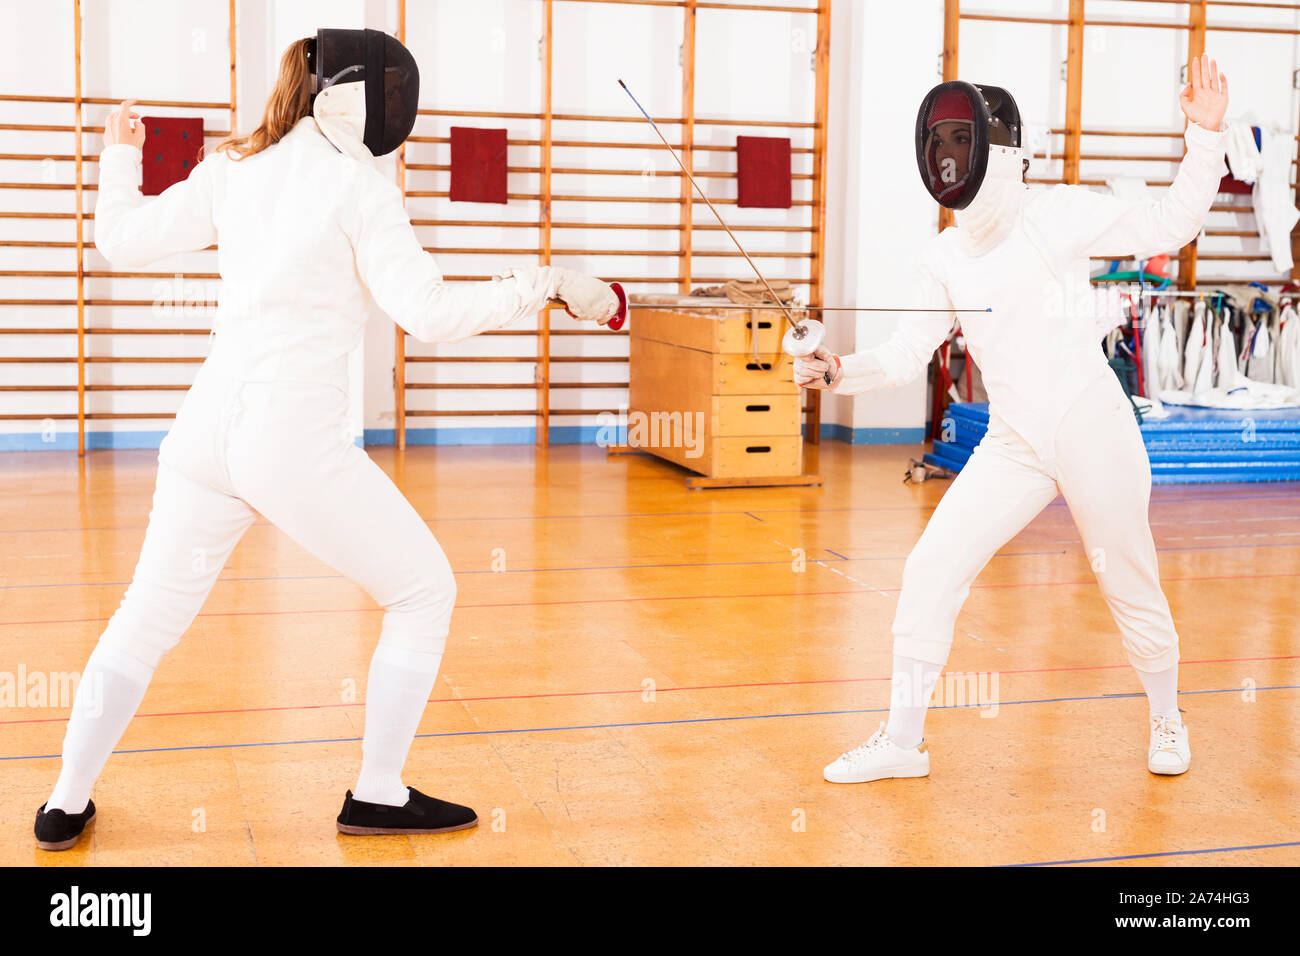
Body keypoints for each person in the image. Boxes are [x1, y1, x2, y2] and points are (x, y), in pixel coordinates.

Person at [35, 29, 618, 850]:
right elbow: (429, 314)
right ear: (355, 97)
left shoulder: (235, 166)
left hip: (203, 434)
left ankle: (64, 802)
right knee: (424, 592)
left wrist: (119, 154)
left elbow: (118, 239)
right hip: (288, 445)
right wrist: (544, 284)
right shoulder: (358, 189)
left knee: (145, 616)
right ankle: (378, 793)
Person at [799, 54, 1230, 784]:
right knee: (931, 568)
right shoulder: (944, 256)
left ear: (998, 152)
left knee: (1127, 577)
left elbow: (1172, 222)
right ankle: (903, 742)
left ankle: (1166, 716)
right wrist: (840, 371)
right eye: (937, 141)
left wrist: (1206, 135)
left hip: (1090, 425)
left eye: (959, 139)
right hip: (1015, 441)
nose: (946, 154)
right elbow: (905, 353)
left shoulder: (1054, 214)